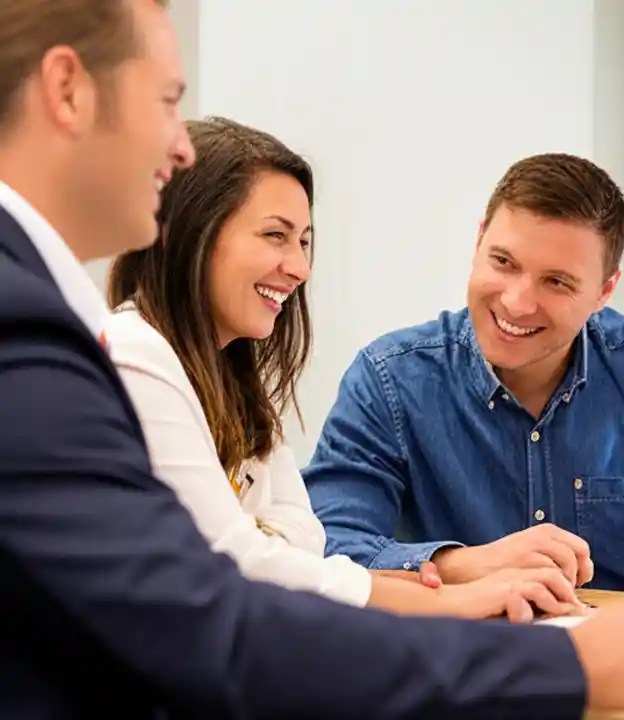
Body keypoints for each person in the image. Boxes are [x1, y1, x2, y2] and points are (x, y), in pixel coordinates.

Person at [0, 0, 624, 715]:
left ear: (605, 291)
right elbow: (221, 603)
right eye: (168, 101)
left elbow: (295, 562)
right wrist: (550, 658)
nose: (182, 147)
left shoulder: (214, 378)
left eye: (304, 241)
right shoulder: (52, 335)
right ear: (67, 89)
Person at [106, 116, 581, 622]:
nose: (299, 267)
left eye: (304, 242)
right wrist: (448, 597)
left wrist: (286, 562)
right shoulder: (135, 359)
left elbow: (303, 545)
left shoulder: (230, 382)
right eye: (275, 236)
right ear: (191, 233)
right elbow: (234, 564)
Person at [304, 153, 624, 600]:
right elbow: (326, 550)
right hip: (453, 666)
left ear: (604, 291)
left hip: (621, 666)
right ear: (478, 241)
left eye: (557, 282)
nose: (516, 302)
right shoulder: (389, 379)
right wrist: (465, 565)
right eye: (503, 262)